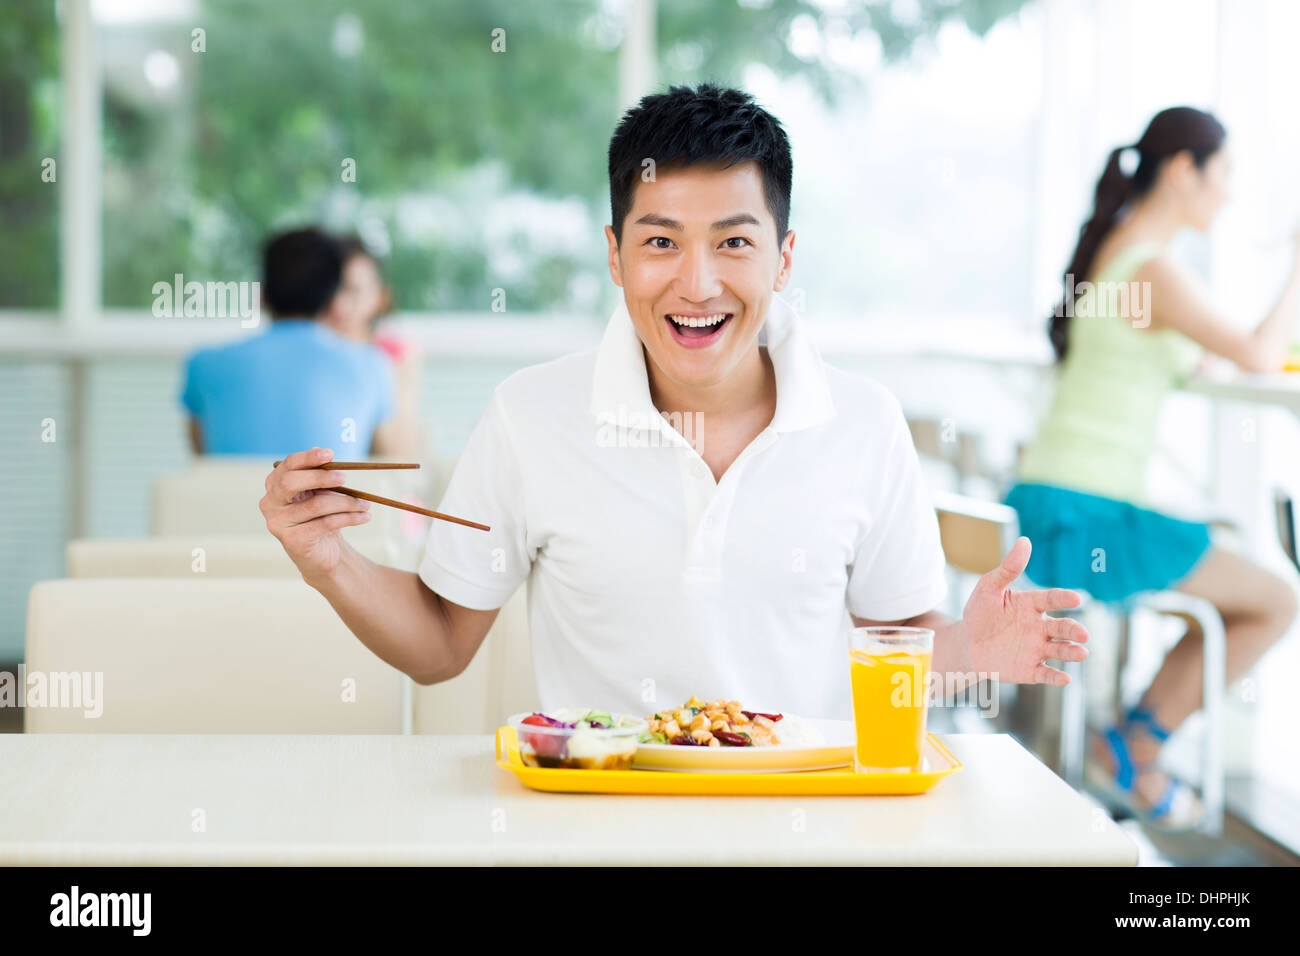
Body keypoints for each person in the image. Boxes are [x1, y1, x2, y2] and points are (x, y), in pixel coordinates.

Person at [261, 84, 1088, 726]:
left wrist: (971, 650)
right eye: (660, 242)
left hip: (803, 830)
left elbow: (897, 653)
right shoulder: (531, 415)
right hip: (601, 832)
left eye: (733, 242)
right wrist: (330, 562)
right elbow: (441, 644)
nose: (697, 285)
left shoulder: (863, 422)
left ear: (784, 257)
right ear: (616, 257)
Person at [1005, 107, 1300, 831]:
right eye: (1222, 174)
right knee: (1275, 601)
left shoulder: (1117, 251)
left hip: (1048, 499)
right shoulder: (1156, 269)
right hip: (1087, 512)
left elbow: (1198, 352)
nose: (1228, 194)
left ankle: (1130, 746)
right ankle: (1134, 747)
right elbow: (1261, 355)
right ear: (1182, 171)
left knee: (1237, 574)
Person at [181, 227, 399, 457]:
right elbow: (383, 463)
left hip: (230, 494)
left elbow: (204, 459)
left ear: (263, 294)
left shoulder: (202, 364)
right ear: (334, 301)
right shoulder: (371, 365)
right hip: (329, 493)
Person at [322, 237, 424, 460]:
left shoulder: (395, 355)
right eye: (333, 289)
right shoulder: (310, 353)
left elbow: (399, 453)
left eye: (353, 291)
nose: (339, 304)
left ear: (380, 298)